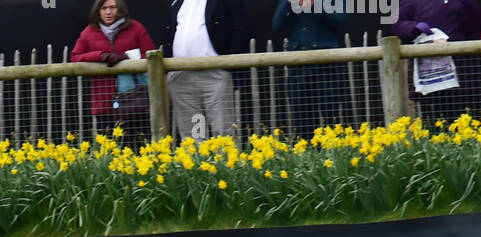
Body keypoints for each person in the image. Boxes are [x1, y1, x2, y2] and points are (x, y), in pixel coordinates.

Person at [70, 0, 157, 147]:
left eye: (112, 7)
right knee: (108, 148)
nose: (108, 12)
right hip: (103, 101)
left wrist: (126, 56)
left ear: (120, 9)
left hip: (133, 101)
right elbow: (75, 57)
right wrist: (100, 56)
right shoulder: (89, 32)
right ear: (98, 11)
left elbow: (150, 54)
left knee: (135, 146)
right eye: (104, 8)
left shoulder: (135, 28)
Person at [162, 0, 250, 142]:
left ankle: (226, 163)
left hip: (214, 74)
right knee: (192, 134)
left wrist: (226, 65)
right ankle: (196, 163)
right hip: (181, 76)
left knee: (222, 130)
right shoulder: (178, 3)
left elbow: (241, 28)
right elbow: (168, 33)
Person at [389, 0, 481, 124]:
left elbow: (477, 25)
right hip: (428, 77)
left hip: (460, 73)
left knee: (463, 119)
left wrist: (468, 5)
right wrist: (414, 27)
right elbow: (397, 25)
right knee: (433, 121)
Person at [271, 0, 347, 138]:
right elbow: (277, 25)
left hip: (325, 66)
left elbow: (340, 21)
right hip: (297, 68)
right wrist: (289, 3)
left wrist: (315, 4)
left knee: (330, 121)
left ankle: (332, 156)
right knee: (302, 125)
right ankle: (307, 157)